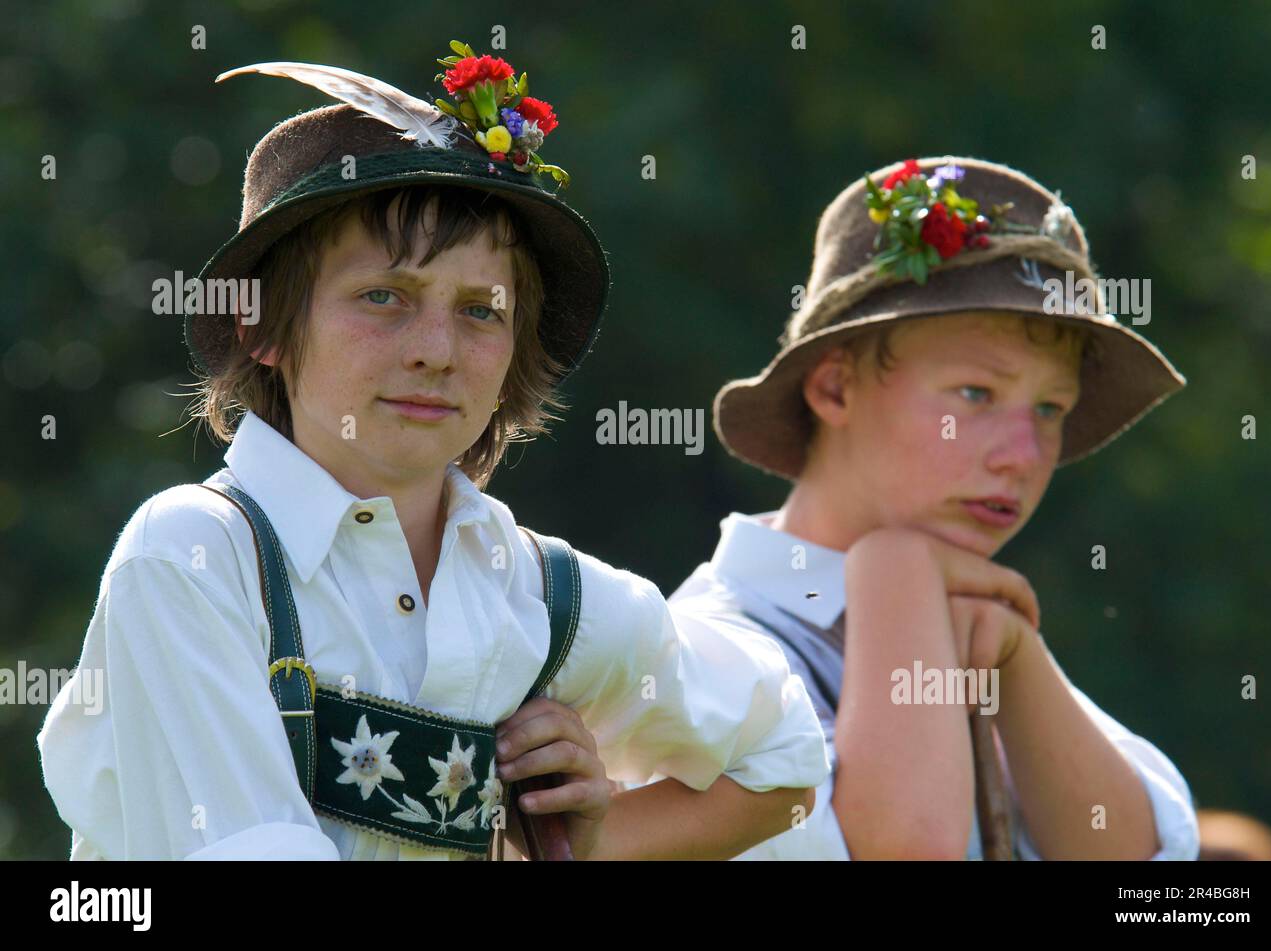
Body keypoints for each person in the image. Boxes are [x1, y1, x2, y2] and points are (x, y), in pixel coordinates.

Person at [36, 44, 828, 860]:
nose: (436, 350)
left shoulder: (541, 597)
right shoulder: (197, 557)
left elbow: (786, 758)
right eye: (384, 297)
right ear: (263, 325)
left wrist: (588, 845)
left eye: (482, 309)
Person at [671, 156, 1200, 860]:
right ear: (835, 389)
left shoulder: (982, 626)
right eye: (976, 393)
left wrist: (1017, 657)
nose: (1024, 452)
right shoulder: (703, 652)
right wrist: (894, 570)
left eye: (1051, 407)